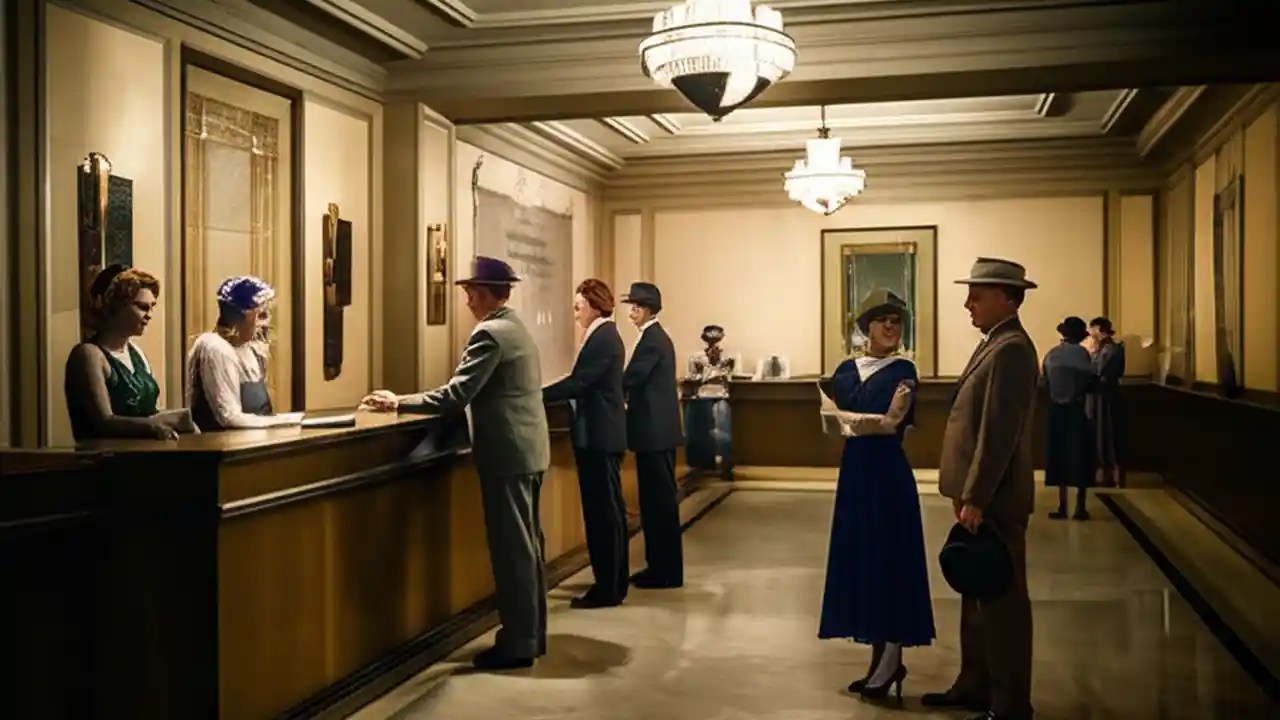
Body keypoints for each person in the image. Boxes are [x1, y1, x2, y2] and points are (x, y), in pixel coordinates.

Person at [361, 256, 550, 670]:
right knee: (528, 548)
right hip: (528, 451)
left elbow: (455, 395)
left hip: (507, 455)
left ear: (483, 294)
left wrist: (399, 401)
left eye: (469, 293)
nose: (466, 301)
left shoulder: (490, 334)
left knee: (512, 551)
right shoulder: (515, 327)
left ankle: (518, 642)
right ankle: (531, 636)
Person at [925, 257, 1039, 720]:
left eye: (978, 294)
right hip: (978, 494)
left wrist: (976, 496)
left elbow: (998, 433)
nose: (968, 302)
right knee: (976, 594)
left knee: (1003, 604)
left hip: (994, 497)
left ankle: (1010, 705)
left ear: (1007, 299)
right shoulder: (994, 342)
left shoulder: (1012, 349)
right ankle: (975, 683)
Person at [818, 289, 935, 701]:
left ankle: (892, 655)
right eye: (882, 319)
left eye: (897, 320)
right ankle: (876, 655)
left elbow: (888, 422)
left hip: (887, 474)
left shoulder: (904, 369)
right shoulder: (847, 369)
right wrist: (856, 419)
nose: (890, 326)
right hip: (855, 473)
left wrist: (852, 418)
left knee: (889, 557)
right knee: (862, 557)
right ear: (865, 326)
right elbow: (834, 419)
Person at [543, 278, 629, 609]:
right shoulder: (604, 335)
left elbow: (580, 382)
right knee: (608, 513)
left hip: (599, 437)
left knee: (602, 515)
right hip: (601, 436)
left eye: (578, 306)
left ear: (593, 305)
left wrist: (536, 395)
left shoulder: (604, 336)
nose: (576, 313)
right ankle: (613, 583)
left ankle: (607, 588)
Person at [64, 265, 191, 441]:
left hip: (147, 455)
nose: (149, 315)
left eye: (152, 307)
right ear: (117, 306)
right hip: (109, 460)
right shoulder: (89, 355)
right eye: (142, 307)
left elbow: (150, 411)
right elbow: (103, 422)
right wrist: (152, 427)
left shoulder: (137, 354)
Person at [620, 281, 684, 590]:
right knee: (657, 503)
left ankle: (665, 571)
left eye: (634, 306)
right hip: (657, 434)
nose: (630, 312)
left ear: (645, 310)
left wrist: (609, 388)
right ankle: (659, 567)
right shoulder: (654, 337)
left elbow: (632, 378)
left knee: (658, 505)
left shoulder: (652, 340)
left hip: (654, 435)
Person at [185, 275, 302, 430]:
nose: (266, 323)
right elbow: (230, 418)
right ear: (238, 317)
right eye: (260, 316)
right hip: (226, 448)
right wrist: (288, 420)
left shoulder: (252, 351)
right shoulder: (215, 348)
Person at [1042, 316, 1094, 520]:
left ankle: (1062, 505)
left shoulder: (1052, 355)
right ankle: (1080, 506)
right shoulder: (1082, 355)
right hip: (1076, 409)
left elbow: (1044, 381)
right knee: (1081, 456)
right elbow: (1089, 380)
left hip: (1056, 410)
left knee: (1059, 456)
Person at [1086, 316, 1126, 488]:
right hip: (1104, 395)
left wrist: (1092, 353)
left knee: (1105, 433)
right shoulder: (1111, 348)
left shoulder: (1109, 349)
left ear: (1100, 330)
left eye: (1093, 329)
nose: (1090, 333)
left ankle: (1109, 473)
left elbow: (1097, 369)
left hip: (1103, 396)